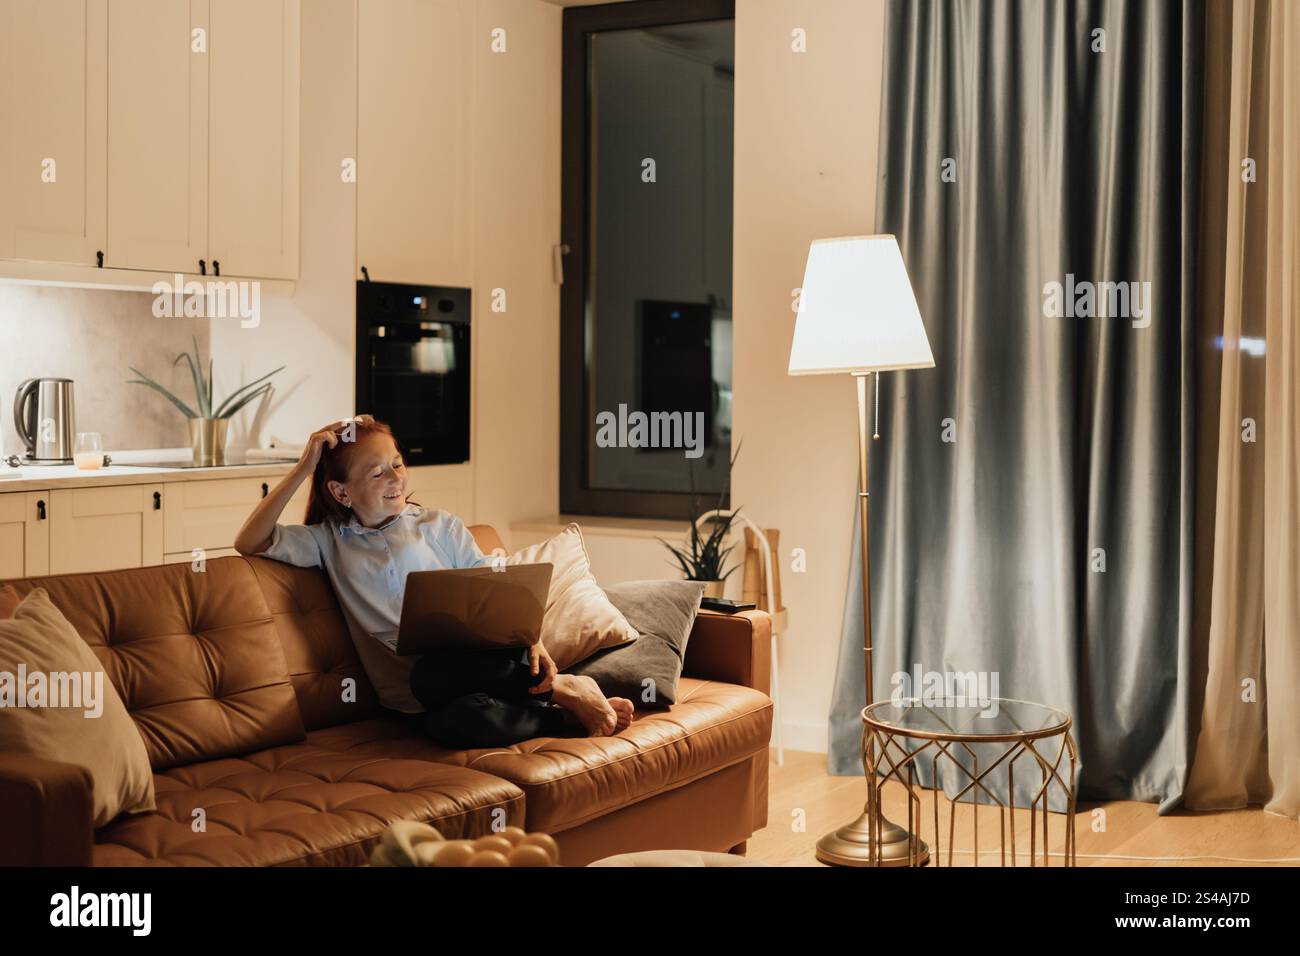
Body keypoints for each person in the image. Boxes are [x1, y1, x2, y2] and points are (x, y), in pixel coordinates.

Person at [233, 415, 634, 747]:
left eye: (398, 463)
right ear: (341, 492)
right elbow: (249, 540)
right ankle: (562, 711)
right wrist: (305, 467)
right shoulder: (326, 542)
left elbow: (499, 597)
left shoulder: (438, 525)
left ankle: (559, 688)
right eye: (377, 473)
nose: (395, 478)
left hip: (483, 661)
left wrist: (535, 643)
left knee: (438, 670)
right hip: (416, 696)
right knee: (455, 723)